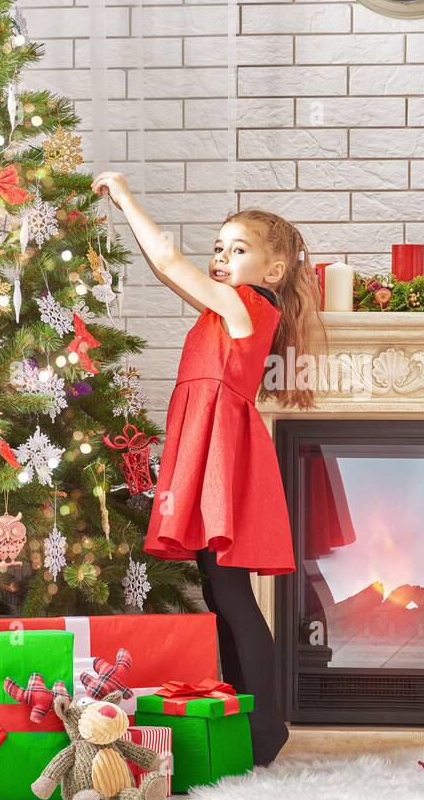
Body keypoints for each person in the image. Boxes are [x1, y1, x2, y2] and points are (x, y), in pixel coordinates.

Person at [91, 172, 322, 766]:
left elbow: (166, 258)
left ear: (273, 271)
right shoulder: (222, 309)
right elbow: (171, 268)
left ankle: (267, 727)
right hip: (202, 448)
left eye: (237, 249)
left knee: (232, 594)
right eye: (218, 249)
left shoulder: (248, 305)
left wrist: (125, 194)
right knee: (219, 593)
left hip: (223, 455)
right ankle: (244, 718)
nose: (221, 259)